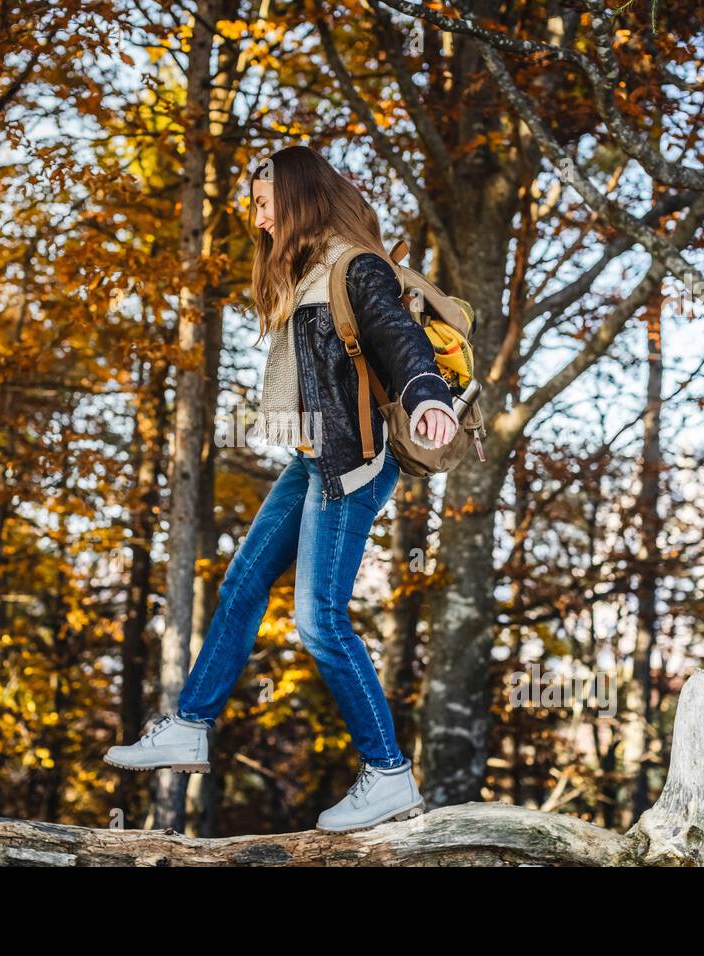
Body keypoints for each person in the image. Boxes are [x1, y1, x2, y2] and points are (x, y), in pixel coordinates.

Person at [105, 144, 459, 833]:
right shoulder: (305, 274)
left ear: (297, 198)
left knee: (318, 621)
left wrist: (425, 395)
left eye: (265, 202)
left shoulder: (353, 268)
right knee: (241, 583)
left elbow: (396, 335)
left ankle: (389, 774)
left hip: (353, 463)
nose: (258, 217)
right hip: (313, 458)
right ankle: (190, 727)